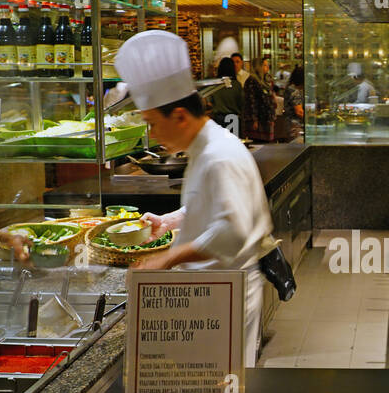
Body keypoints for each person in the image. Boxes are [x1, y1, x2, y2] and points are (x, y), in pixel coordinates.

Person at [115, 30, 273, 366]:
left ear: (180, 116)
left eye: (153, 125)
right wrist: (169, 221)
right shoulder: (206, 144)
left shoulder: (219, 156)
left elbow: (232, 230)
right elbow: (212, 204)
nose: (152, 135)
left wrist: (167, 259)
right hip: (211, 293)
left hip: (224, 298)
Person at [242, 56, 278, 143]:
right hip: (259, 120)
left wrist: (272, 117)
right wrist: (254, 119)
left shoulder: (265, 80)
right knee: (259, 144)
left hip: (266, 118)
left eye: (267, 65)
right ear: (259, 67)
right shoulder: (252, 80)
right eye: (264, 65)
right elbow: (251, 101)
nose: (267, 67)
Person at [209, 56, 245, 135]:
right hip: (233, 119)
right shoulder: (237, 85)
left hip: (218, 119)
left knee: (220, 144)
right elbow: (242, 102)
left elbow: (210, 102)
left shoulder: (215, 85)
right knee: (233, 144)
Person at [284, 65, 305, 136]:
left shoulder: (292, 89)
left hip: (292, 125)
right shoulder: (294, 90)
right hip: (296, 126)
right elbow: (299, 112)